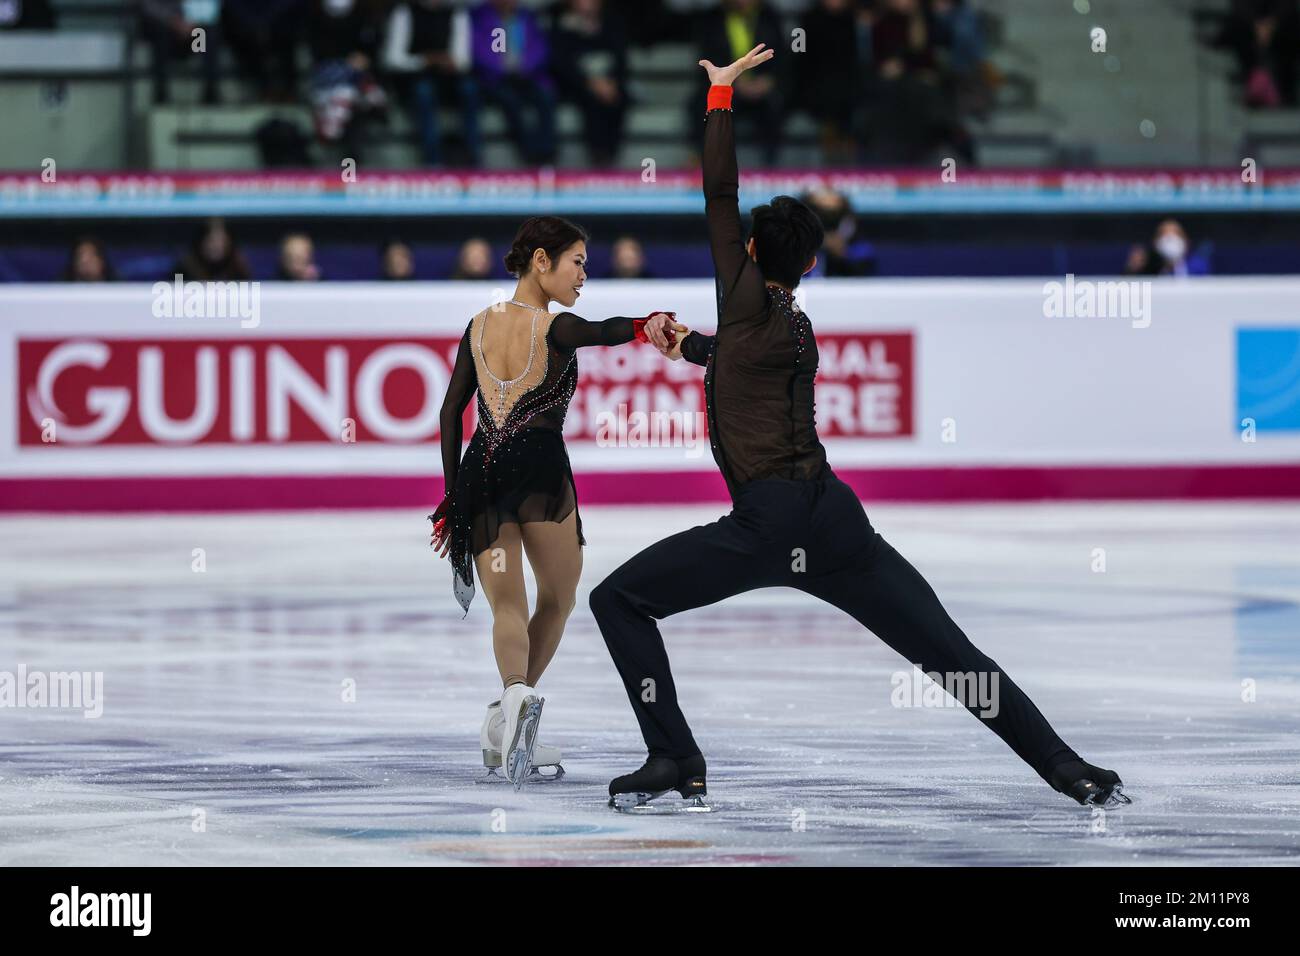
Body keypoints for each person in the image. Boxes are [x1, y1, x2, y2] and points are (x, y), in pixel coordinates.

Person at [590, 45, 1131, 814]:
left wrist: (718, 98)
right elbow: (746, 370)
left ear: (748, 255)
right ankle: (1071, 772)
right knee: (952, 657)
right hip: (835, 521)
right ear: (809, 267)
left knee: (619, 601)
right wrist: (692, 348)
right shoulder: (793, 326)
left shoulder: (742, 300)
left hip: (765, 524)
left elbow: (718, 191)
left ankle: (676, 756)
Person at [429, 215, 683, 788]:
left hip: (482, 478)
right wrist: (649, 325)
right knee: (561, 597)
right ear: (540, 261)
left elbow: (450, 415)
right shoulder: (555, 327)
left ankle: (511, 706)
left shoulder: (476, 324)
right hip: (540, 475)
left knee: (508, 608)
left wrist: (452, 498)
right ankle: (508, 712)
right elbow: (605, 331)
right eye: (577, 262)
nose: (583, 274)